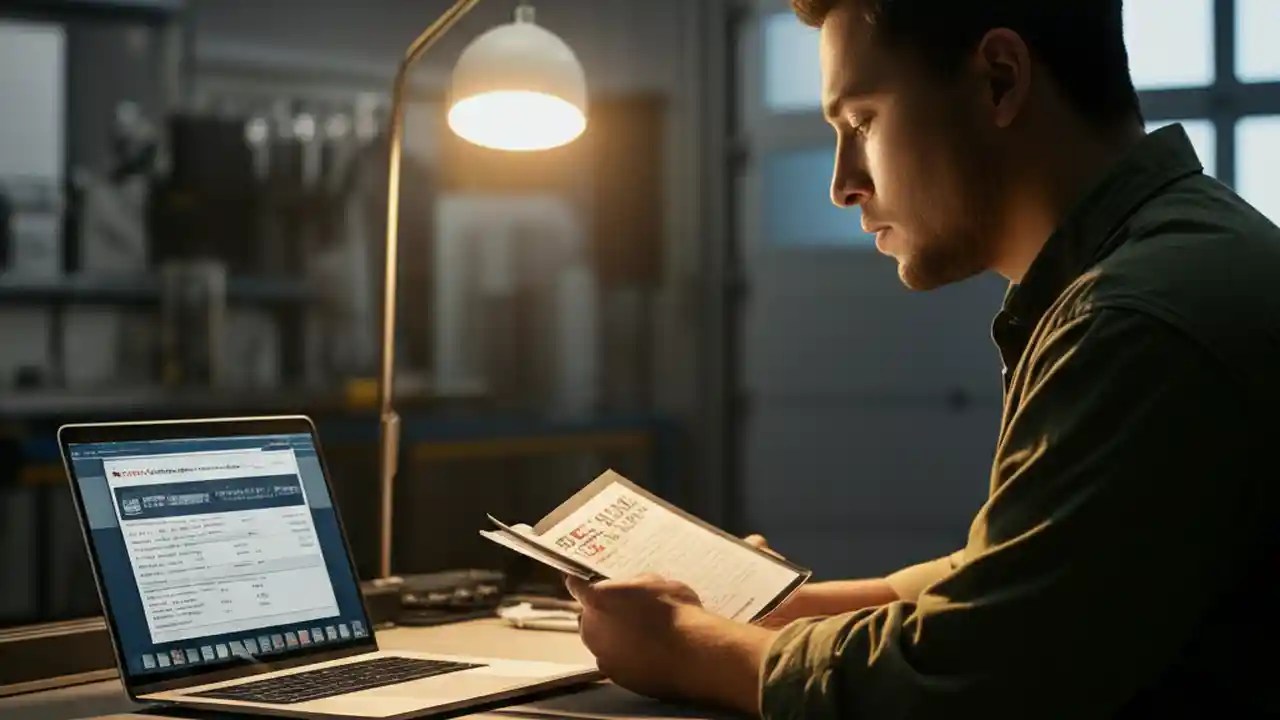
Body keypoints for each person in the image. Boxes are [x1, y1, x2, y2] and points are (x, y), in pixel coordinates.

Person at [563, 0, 1280, 717]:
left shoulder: (1135, 321)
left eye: (862, 122)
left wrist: (688, 646)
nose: (843, 184)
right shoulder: (1174, 259)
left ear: (1000, 80)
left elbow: (977, 679)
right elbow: (1030, 579)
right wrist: (770, 609)